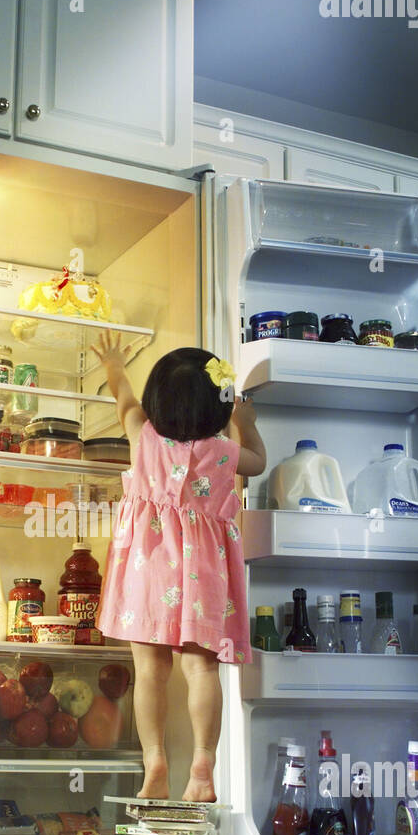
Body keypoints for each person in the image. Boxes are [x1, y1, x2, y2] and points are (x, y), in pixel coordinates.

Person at [91, 332, 266, 803]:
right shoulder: (226, 454)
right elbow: (259, 461)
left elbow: (122, 394)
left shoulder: (140, 435)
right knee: (202, 671)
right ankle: (203, 764)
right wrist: (243, 421)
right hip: (202, 577)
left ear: (156, 404)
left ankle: (156, 762)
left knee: (149, 672)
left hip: (148, 572)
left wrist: (113, 363)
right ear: (218, 408)